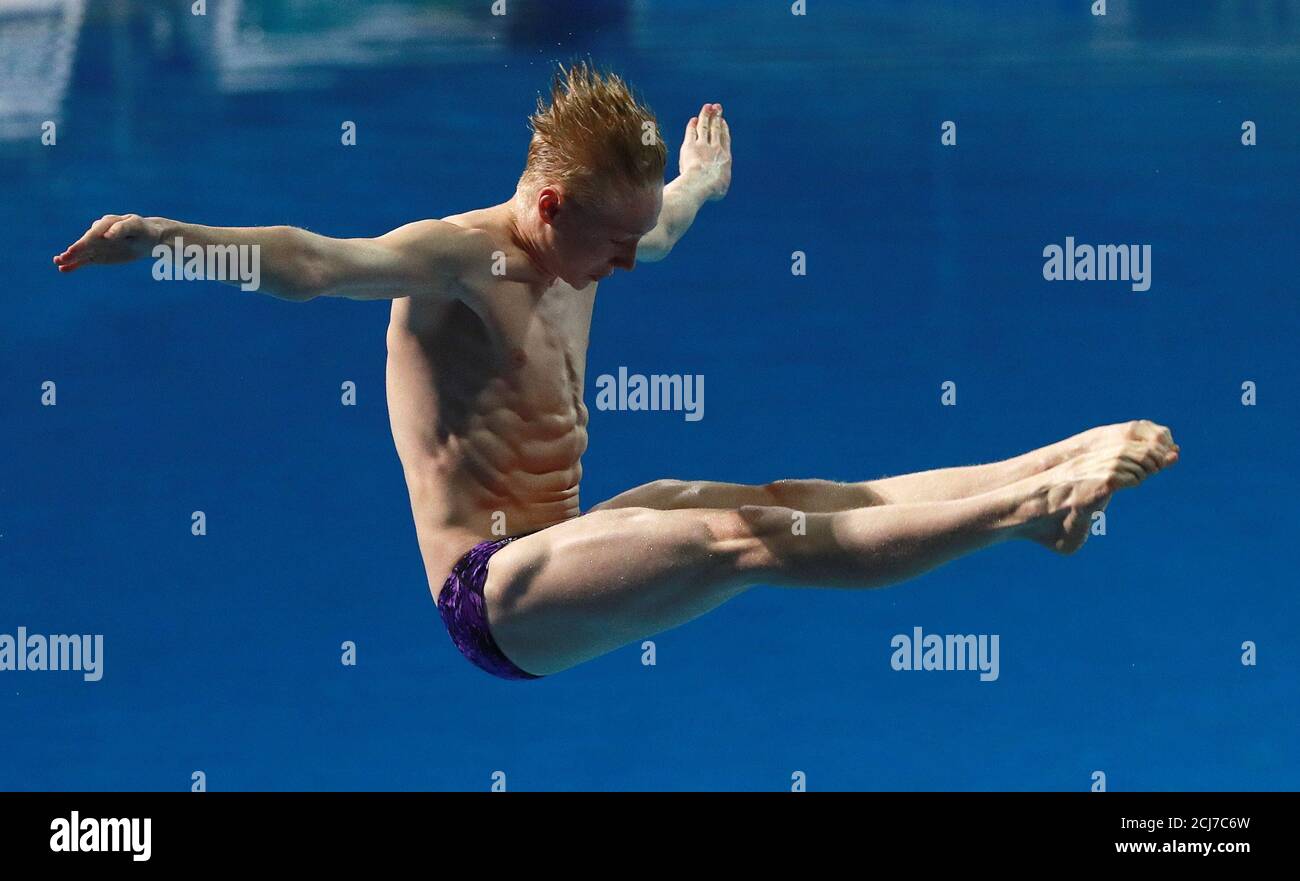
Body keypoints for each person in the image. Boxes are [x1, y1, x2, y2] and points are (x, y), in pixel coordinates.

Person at [52, 61, 1179, 681]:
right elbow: (307, 263)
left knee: (775, 500)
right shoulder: (456, 261)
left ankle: (1045, 475)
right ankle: (1032, 502)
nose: (631, 262)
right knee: (735, 542)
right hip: (493, 596)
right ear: (546, 206)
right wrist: (165, 237)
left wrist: (696, 181)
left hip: (566, 544)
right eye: (612, 239)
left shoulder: (600, 231)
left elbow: (669, 220)